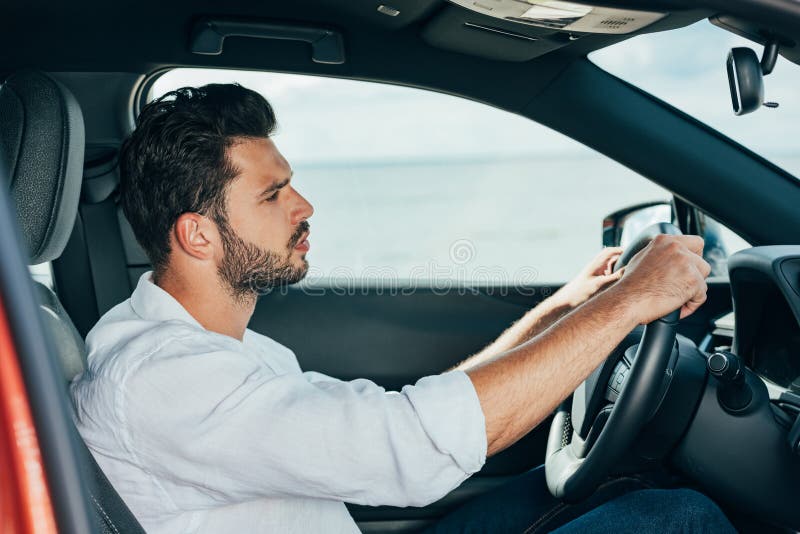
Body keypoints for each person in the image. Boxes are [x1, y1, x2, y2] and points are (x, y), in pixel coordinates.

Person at [70, 83, 731, 533]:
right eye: (274, 195)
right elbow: (410, 446)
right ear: (198, 235)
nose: (304, 207)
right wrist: (629, 302)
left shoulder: (204, 346)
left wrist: (565, 308)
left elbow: (394, 422)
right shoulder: (164, 379)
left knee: (629, 481)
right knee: (678, 519)